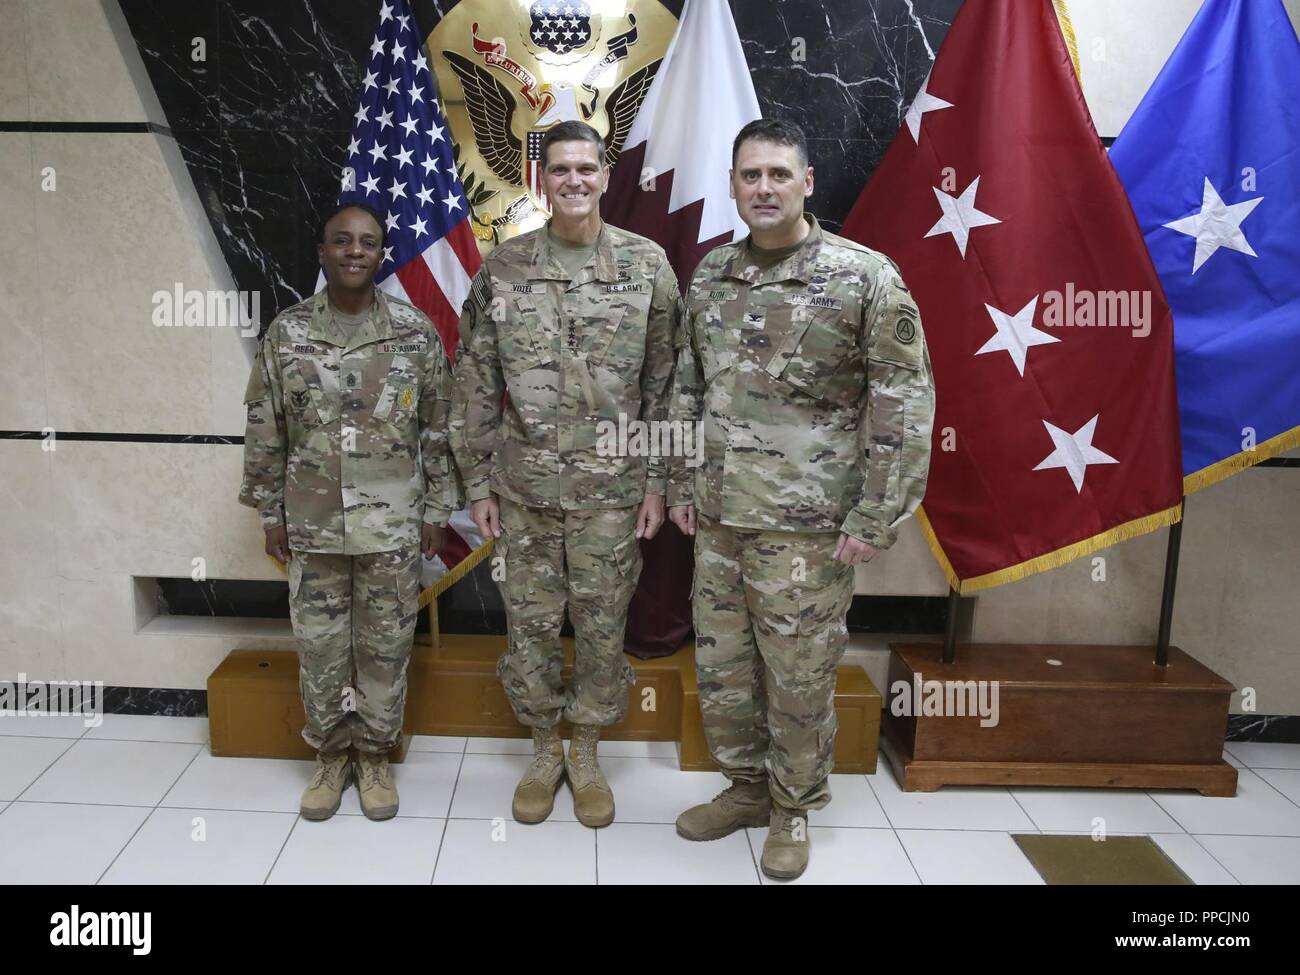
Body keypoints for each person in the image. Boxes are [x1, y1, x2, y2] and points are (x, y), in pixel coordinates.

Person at [668, 119, 935, 879]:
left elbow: (904, 400)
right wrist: (684, 481)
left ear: (807, 182)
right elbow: (690, 386)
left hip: (810, 528)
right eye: (750, 175)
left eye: (779, 174)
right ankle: (747, 787)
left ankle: (791, 806)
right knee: (722, 669)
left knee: (797, 677)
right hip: (720, 517)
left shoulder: (864, 277)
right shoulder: (712, 274)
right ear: (732, 185)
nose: (763, 188)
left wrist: (877, 513)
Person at [449, 120, 679, 828]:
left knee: (605, 625)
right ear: (539, 179)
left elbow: (670, 381)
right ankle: (544, 745)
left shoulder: (647, 267)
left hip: (611, 494)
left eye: (585, 168)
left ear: (605, 176)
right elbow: (476, 379)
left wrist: (658, 483)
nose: (573, 180)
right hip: (524, 491)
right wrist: (478, 483)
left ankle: (585, 748)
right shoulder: (505, 269)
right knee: (531, 624)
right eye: (559, 170)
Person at [239, 202, 459, 821]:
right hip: (312, 524)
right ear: (322, 252)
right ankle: (332, 754)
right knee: (321, 646)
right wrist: (269, 513)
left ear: (382, 252)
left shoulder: (415, 334)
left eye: (367, 242)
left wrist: (438, 508)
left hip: (391, 525)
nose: (355, 251)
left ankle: (374, 756)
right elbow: (264, 427)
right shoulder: (287, 333)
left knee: (386, 646)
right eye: (342, 241)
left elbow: (438, 429)